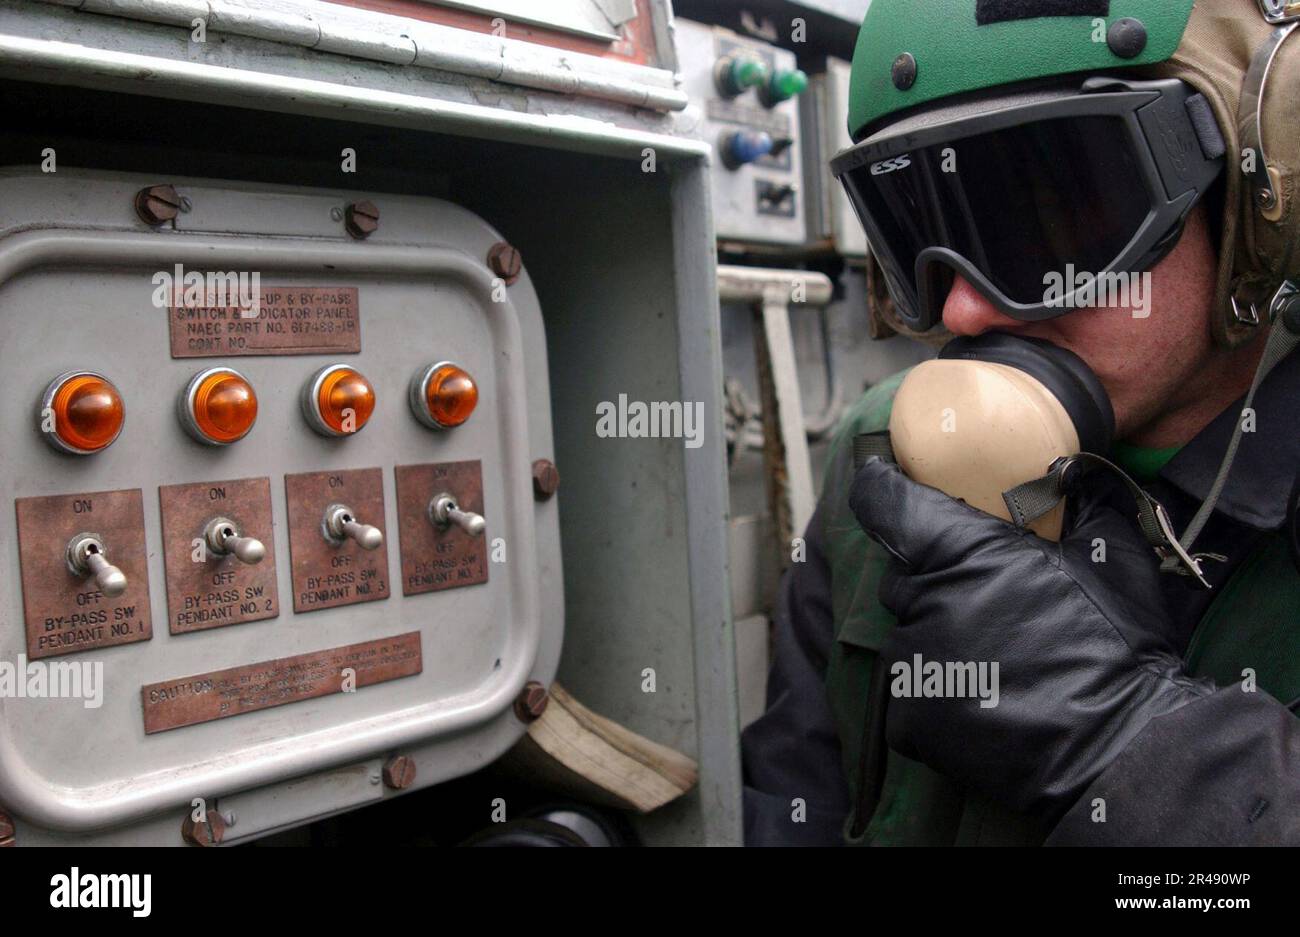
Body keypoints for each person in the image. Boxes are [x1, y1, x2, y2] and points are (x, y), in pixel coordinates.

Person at [742, 0, 1300, 846]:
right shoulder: (885, 450)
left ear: (1255, 199)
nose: (961, 310)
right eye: (925, 226)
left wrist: (1125, 741)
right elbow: (792, 805)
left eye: (1051, 221)